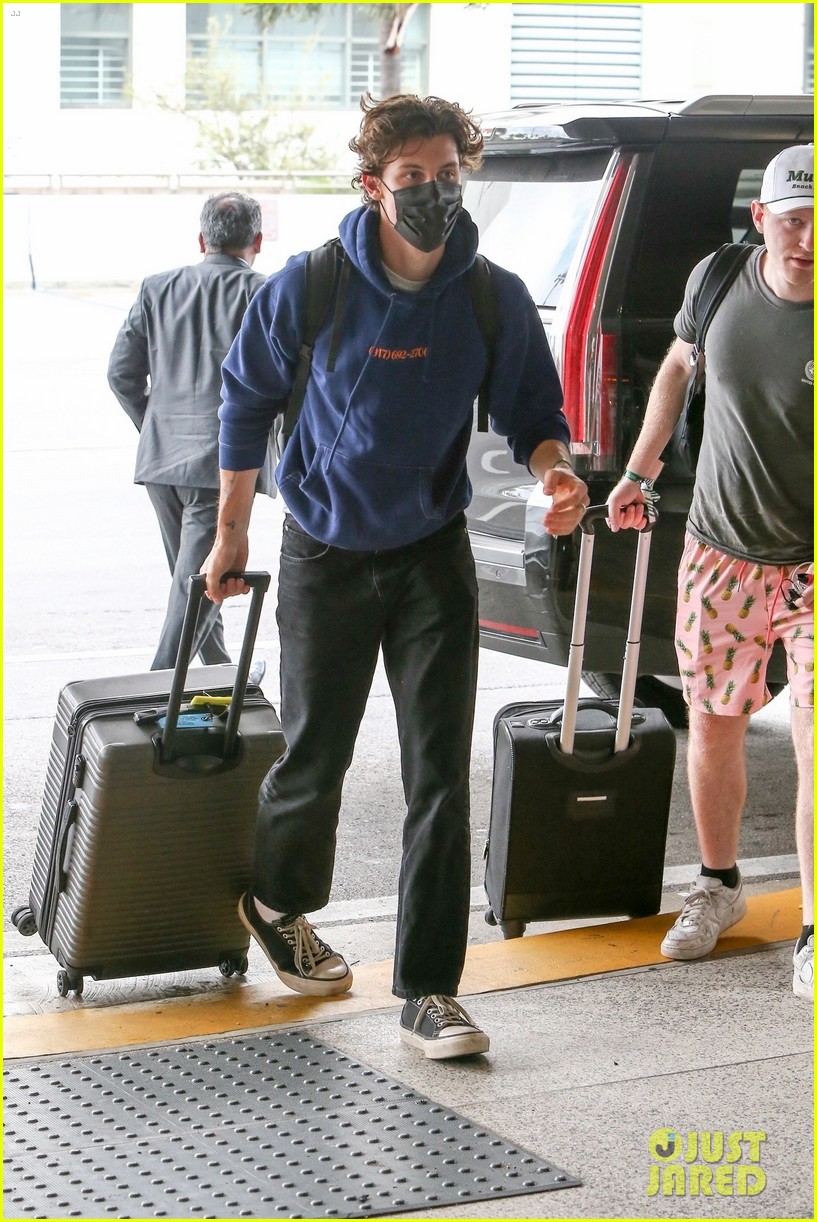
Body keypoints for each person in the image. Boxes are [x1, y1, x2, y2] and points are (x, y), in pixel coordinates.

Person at [201, 94, 589, 1058]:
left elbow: (534, 411)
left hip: (430, 558)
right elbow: (244, 403)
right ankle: (278, 901)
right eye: (412, 178)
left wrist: (557, 474)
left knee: (436, 778)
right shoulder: (312, 283)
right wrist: (229, 537)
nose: (433, 193)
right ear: (374, 186)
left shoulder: (489, 294)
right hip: (324, 552)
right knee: (316, 757)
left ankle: (428, 991)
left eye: (448, 175)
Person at [606, 144, 814, 1001]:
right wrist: (638, 469)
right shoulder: (719, 278)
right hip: (721, 549)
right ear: (760, 219)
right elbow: (679, 366)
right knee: (715, 719)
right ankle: (719, 885)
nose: (807, 238)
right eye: (794, 219)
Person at [108, 191, 272, 671]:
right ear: (257, 241)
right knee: (200, 584)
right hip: (219, 468)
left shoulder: (156, 288)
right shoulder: (261, 292)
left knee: (195, 578)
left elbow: (120, 375)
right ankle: (155, 689)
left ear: (202, 239)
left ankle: (221, 668)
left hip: (161, 463)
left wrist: (154, 427)